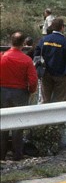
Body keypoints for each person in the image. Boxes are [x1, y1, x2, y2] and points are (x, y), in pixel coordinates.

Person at [1, 32, 38, 160]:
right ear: (23, 43)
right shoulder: (26, 60)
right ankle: (17, 153)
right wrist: (31, 91)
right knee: (18, 124)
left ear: (11, 41)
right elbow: (33, 81)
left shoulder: (2, 57)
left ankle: (2, 154)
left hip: (3, 92)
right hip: (20, 93)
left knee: (3, 123)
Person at [34, 17, 66, 104]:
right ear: (62, 27)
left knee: (45, 99)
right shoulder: (65, 42)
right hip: (61, 75)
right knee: (60, 100)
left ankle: (45, 117)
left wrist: (40, 68)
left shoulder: (44, 39)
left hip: (46, 73)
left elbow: (36, 54)